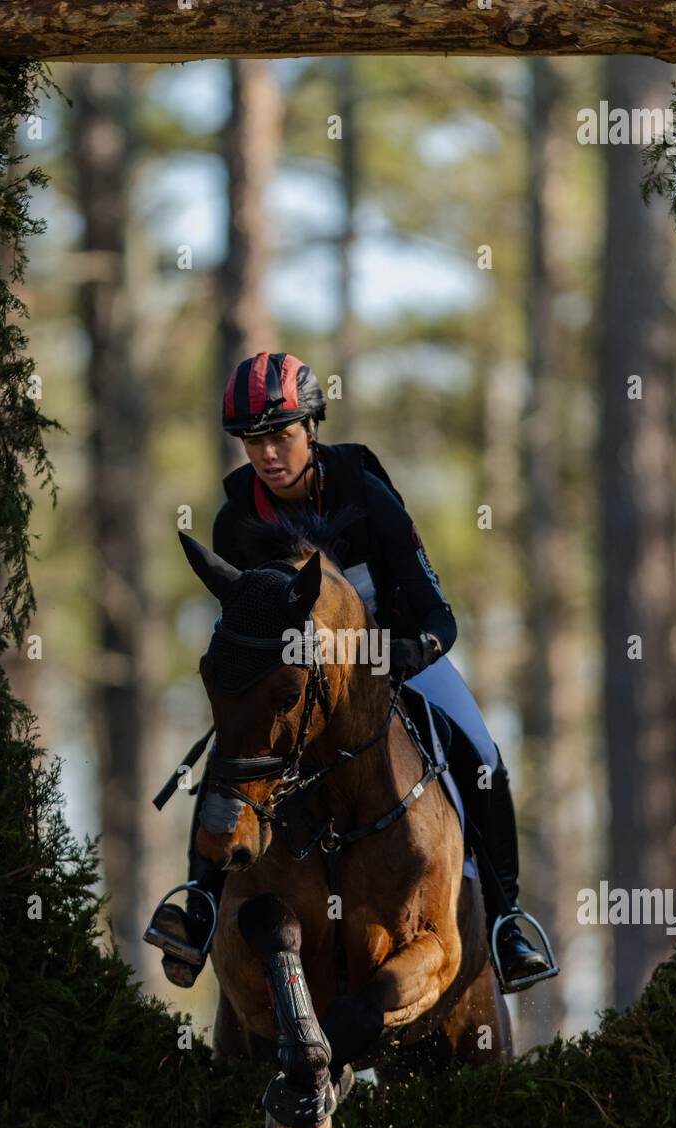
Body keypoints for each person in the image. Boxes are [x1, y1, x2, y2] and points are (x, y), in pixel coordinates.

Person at [146, 350, 553, 993]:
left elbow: (437, 617)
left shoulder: (368, 496)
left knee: (481, 751)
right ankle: (199, 901)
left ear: (311, 428)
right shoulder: (237, 523)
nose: (269, 455)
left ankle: (506, 920)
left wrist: (405, 655)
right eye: (254, 442)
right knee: (234, 758)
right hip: (295, 682)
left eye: (281, 436)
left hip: (390, 661)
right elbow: (246, 633)